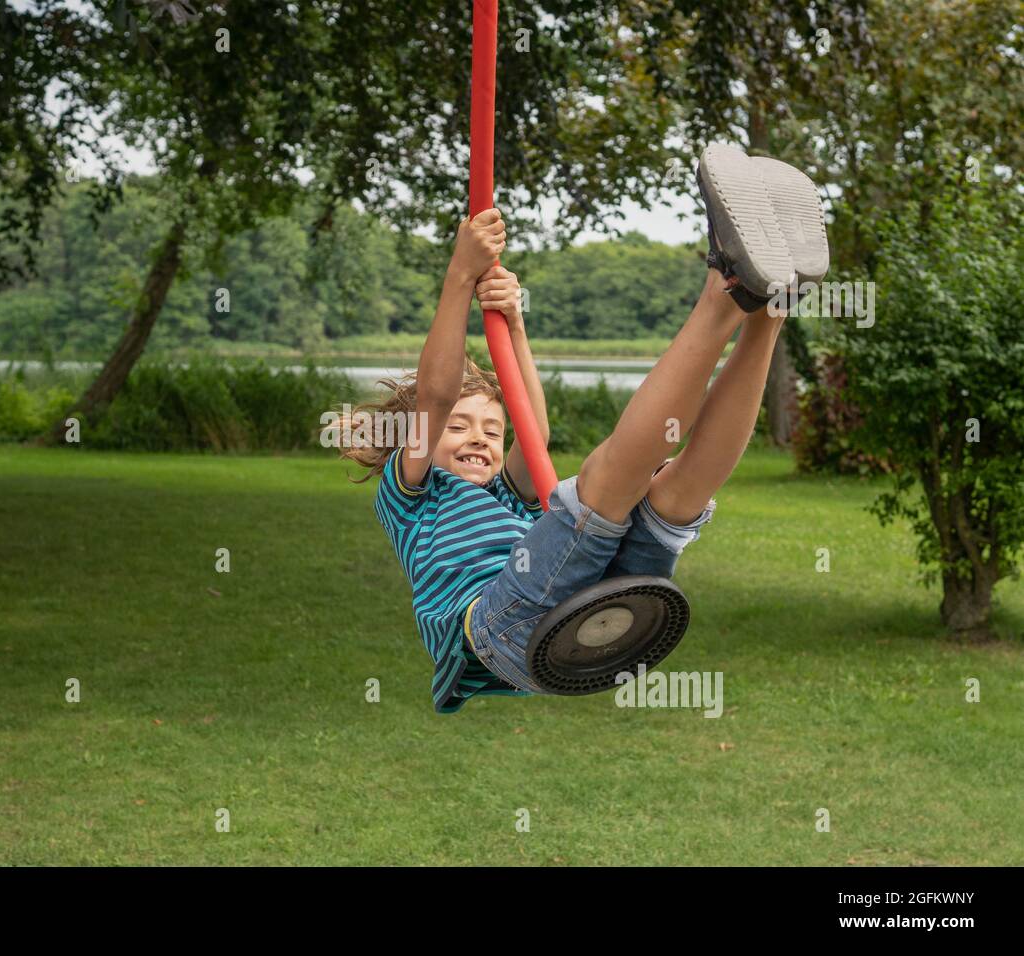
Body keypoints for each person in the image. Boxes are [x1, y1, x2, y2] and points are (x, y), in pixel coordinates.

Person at [333, 143, 829, 713]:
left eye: (492, 432)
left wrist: (515, 323)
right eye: (459, 429)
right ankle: (722, 293)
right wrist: (459, 275)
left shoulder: (505, 497)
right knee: (596, 483)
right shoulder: (411, 498)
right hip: (504, 629)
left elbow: (532, 431)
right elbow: (438, 393)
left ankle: (766, 312)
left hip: (600, 619)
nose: (480, 439)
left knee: (672, 493)